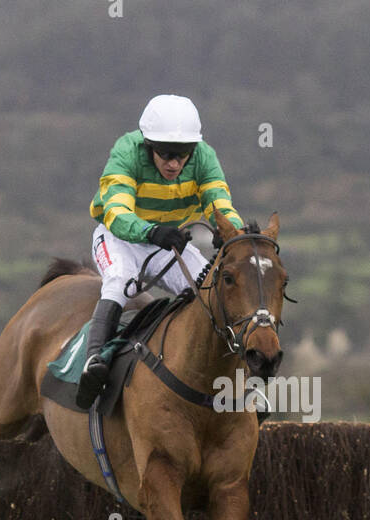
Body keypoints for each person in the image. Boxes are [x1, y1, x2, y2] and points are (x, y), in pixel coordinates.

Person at [76, 94, 245, 408]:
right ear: (148, 144)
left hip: (169, 242)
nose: (174, 163)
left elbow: (219, 203)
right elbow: (116, 212)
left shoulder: (205, 157)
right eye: (166, 154)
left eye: (183, 155)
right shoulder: (126, 151)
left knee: (213, 289)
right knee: (120, 280)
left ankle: (236, 377)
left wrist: (231, 232)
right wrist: (150, 231)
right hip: (120, 238)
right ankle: (94, 361)